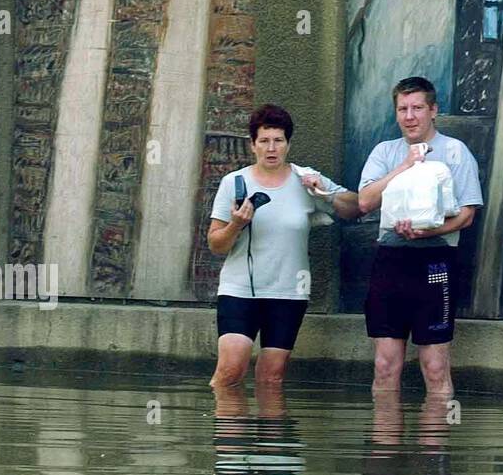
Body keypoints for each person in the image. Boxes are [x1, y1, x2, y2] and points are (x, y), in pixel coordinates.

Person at [207, 104, 361, 387]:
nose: (271, 148)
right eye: (264, 141)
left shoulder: (305, 179)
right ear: (253, 145)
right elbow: (216, 243)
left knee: (272, 377)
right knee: (230, 371)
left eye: (278, 140)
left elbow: (356, 207)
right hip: (240, 289)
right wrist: (236, 225)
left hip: (289, 292)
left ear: (288, 144)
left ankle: (269, 431)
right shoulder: (235, 182)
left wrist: (324, 194)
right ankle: (226, 431)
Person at [358, 76, 484, 397]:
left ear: (433, 110)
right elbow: (365, 201)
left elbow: (467, 215)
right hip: (389, 260)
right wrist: (405, 165)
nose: (409, 116)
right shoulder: (385, 152)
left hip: (435, 262)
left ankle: (434, 447)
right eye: (403, 109)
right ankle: (385, 447)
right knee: (385, 366)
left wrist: (427, 231)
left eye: (417, 108)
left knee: (435, 367)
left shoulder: (456, 152)